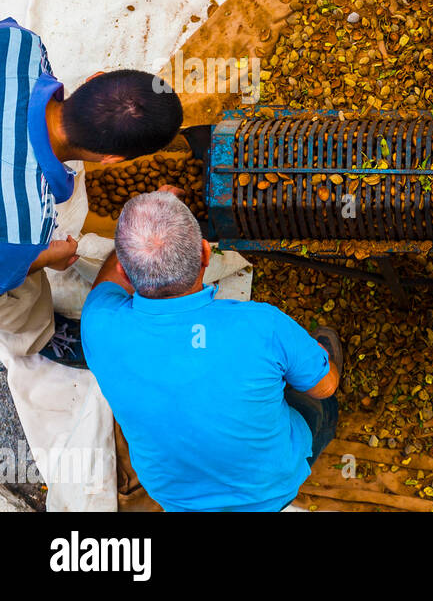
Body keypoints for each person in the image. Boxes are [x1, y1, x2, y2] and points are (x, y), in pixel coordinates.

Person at [81, 189, 343, 512]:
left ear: (124, 272)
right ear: (206, 254)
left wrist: (141, 232)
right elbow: (326, 384)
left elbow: (107, 285)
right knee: (320, 394)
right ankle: (324, 421)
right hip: (273, 490)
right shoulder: (262, 325)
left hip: (174, 500)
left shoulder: (100, 325)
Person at [0, 17, 183, 368]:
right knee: (20, 292)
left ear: (94, 79)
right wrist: (46, 257)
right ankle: (40, 335)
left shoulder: (19, 44)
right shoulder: (25, 227)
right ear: (112, 159)